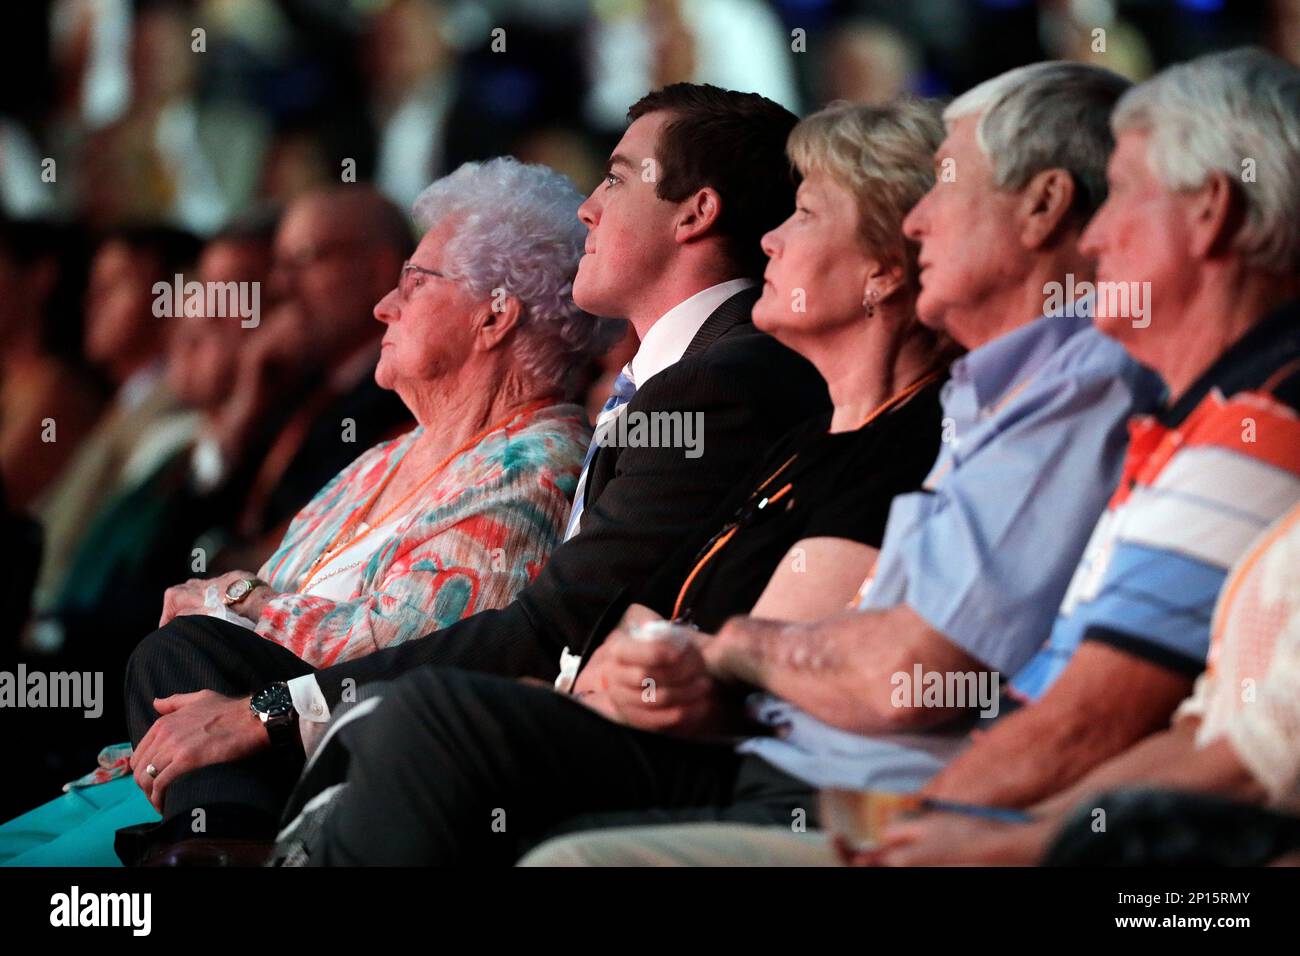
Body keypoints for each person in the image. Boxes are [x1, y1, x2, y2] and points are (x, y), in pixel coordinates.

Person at [268, 62, 1160, 866]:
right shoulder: (902, 414)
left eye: (806, 215)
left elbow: (903, 669)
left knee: (435, 729)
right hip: (761, 751)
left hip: (816, 783)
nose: (775, 238)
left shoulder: (784, 393)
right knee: (366, 714)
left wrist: (721, 660)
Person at [524, 47, 1300, 867]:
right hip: (862, 788)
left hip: (896, 802)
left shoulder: (1223, 419)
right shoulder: (1114, 408)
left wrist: (969, 835)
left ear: (1210, 210)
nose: (1099, 231)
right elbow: (1214, 735)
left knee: (540, 831)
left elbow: (1078, 716)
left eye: (1129, 195)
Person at [119, 83, 832, 863]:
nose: (589, 208)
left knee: (410, 712)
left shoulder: (716, 381)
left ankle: (221, 846)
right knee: (186, 653)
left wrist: (265, 702)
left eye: (617, 177)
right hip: (577, 703)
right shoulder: (679, 378)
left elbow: (544, 626)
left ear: (694, 212)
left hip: (650, 735)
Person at [0, 157, 604, 866]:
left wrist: (234, 600)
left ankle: (220, 848)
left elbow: (407, 656)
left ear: (496, 315)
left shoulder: (540, 463)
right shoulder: (381, 458)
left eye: (416, 282)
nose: (386, 305)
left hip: (311, 789)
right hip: (191, 758)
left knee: (182, 650)